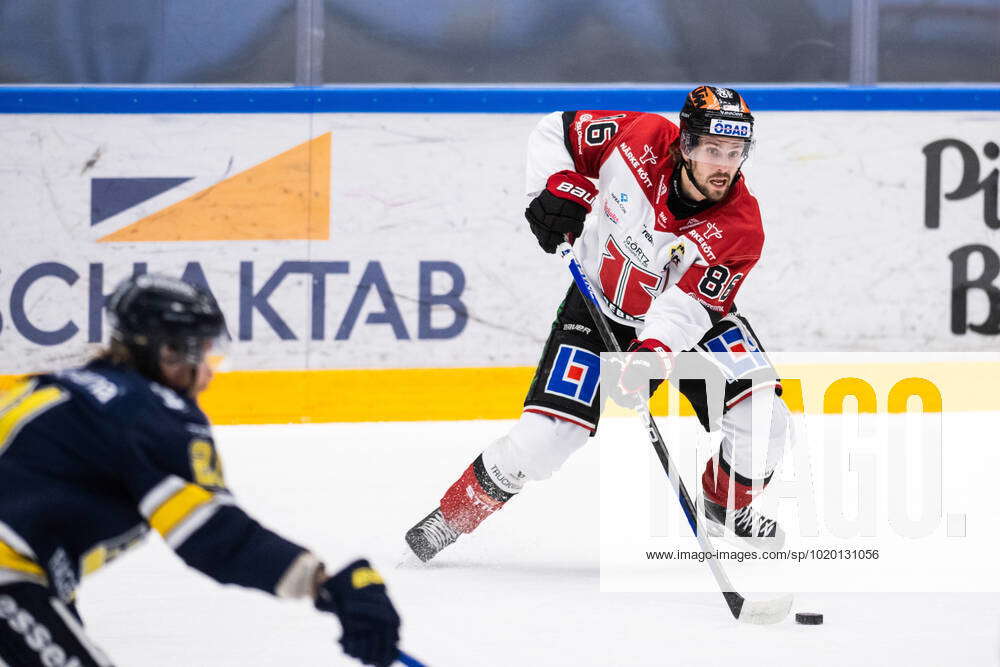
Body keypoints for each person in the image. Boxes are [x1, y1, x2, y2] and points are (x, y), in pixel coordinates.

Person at [405, 85, 791, 562]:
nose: (724, 166)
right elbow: (556, 130)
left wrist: (652, 354)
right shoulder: (639, 137)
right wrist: (550, 190)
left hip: (690, 322)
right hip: (598, 304)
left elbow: (686, 308)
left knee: (764, 419)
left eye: (735, 152)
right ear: (686, 144)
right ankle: (451, 518)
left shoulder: (741, 226)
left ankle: (727, 507)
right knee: (544, 440)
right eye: (713, 149)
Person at [0, 275, 400, 667]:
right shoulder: (150, 415)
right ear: (168, 353)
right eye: (202, 354)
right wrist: (324, 585)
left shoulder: (60, 385)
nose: (208, 374)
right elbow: (213, 534)